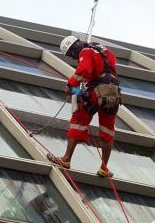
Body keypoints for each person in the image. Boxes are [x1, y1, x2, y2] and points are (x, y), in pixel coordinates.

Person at [49, 35, 122, 177]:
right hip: (113, 92)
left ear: (74, 48)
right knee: (108, 131)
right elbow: (109, 63)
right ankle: (104, 168)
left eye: (71, 54)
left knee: (78, 120)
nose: (74, 57)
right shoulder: (102, 50)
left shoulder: (86, 51)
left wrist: (70, 85)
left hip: (96, 91)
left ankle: (66, 159)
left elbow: (84, 70)